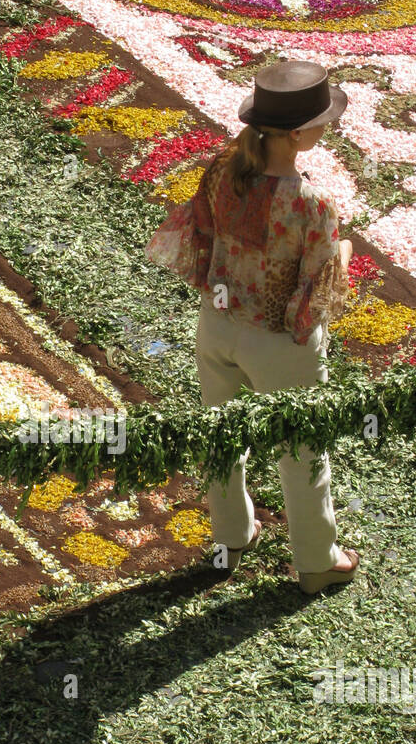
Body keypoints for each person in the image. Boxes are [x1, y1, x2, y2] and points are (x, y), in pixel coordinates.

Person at [149, 59, 360, 595]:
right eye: (322, 121)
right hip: (276, 344)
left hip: (216, 324)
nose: (327, 127)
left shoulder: (223, 168)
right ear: (296, 134)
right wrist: (345, 249)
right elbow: (315, 290)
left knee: (222, 436)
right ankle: (316, 562)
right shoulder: (312, 203)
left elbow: (200, 236)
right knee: (302, 450)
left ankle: (232, 536)